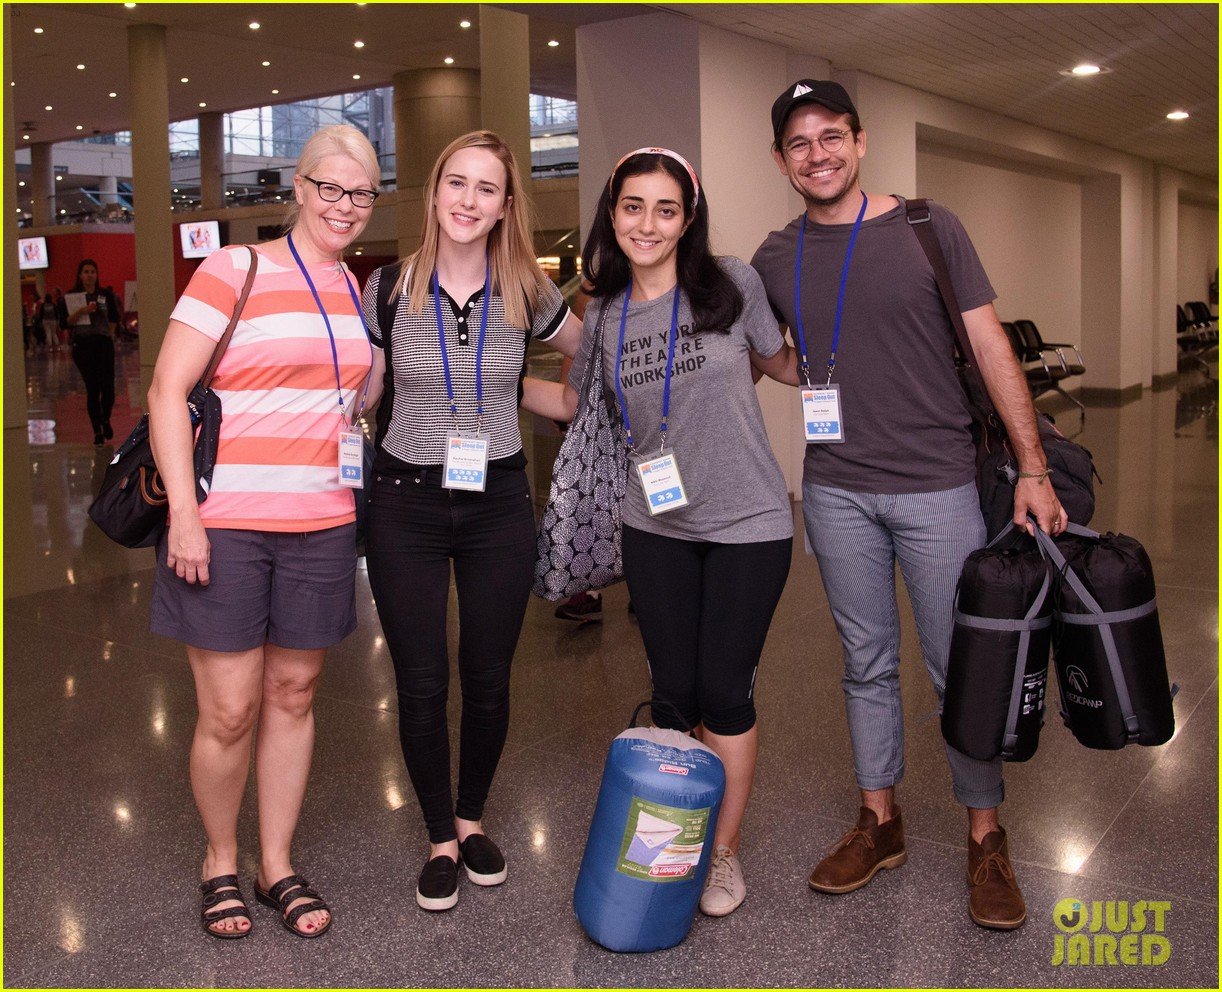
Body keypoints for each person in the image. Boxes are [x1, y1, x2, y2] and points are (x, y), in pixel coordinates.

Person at [750, 80, 1065, 930]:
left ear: (859, 140)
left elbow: (991, 343)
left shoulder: (929, 227)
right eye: (799, 143)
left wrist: (1032, 465)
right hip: (837, 491)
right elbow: (782, 356)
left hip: (939, 487)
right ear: (780, 160)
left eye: (831, 136)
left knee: (958, 666)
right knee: (865, 663)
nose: (817, 154)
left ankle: (985, 836)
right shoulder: (776, 256)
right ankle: (879, 820)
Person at [538, 147, 797, 918]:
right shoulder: (606, 313)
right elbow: (574, 405)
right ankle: (676, 843)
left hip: (749, 520)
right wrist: (482, 386)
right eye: (632, 207)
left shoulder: (730, 282)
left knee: (725, 692)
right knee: (673, 694)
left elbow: (782, 362)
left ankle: (720, 856)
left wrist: (869, 361)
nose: (647, 223)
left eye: (665, 209)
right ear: (611, 216)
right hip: (654, 523)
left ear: (687, 218)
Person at [147, 124, 382, 939]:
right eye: (330, 188)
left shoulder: (353, 288)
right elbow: (167, 390)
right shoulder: (235, 269)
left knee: (294, 694)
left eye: (362, 193)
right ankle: (220, 858)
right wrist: (184, 512)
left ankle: (275, 862)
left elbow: (349, 389)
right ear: (300, 186)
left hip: (321, 524)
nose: (345, 206)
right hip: (226, 526)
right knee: (230, 710)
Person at [360, 130, 582, 912]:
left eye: (486, 189)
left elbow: (582, 366)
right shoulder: (387, 286)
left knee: (488, 677)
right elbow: (368, 387)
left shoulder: (528, 289)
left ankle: (473, 817)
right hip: (403, 502)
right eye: (456, 182)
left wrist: (548, 398)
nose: (468, 200)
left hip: (496, 503)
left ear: (505, 205)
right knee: (420, 682)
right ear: (434, 192)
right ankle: (438, 839)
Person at [65, 259, 121, 444]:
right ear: (80, 275)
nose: (90, 275)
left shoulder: (105, 294)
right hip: (83, 346)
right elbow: (66, 322)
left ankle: (105, 418)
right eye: (86, 271)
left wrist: (109, 335)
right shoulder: (73, 296)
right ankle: (97, 430)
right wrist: (83, 310)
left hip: (103, 344)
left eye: (92, 272)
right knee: (92, 388)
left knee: (108, 389)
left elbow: (113, 318)